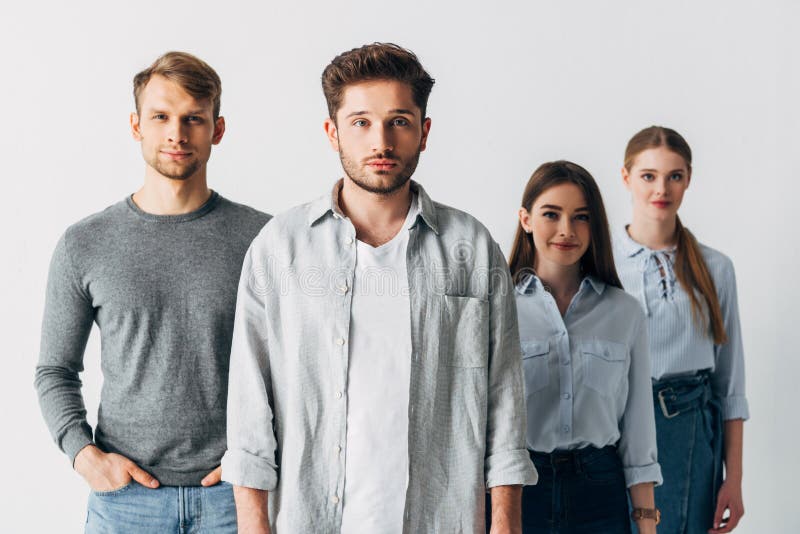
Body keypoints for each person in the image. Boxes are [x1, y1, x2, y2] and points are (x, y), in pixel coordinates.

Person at [221, 42, 537, 533]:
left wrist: (506, 521)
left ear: (424, 132)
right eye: (361, 122)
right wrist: (252, 524)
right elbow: (249, 403)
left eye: (399, 121)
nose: (381, 142)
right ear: (333, 132)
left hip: (443, 520)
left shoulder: (471, 247)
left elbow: (505, 397)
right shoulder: (279, 248)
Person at [34, 51, 270, 533]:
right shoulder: (86, 243)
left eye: (193, 119)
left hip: (234, 498)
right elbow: (54, 369)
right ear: (136, 125)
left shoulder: (262, 240)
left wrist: (257, 458)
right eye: (161, 116)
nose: (176, 134)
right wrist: (84, 455)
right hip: (126, 503)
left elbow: (295, 368)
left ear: (217, 129)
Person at [501, 160, 661, 533]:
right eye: (551, 214)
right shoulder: (499, 309)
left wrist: (647, 524)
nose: (566, 230)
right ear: (526, 219)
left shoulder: (625, 313)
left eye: (581, 217)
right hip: (519, 490)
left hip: (601, 491)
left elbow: (638, 431)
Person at [614, 126, 749, 534]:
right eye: (649, 175)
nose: (662, 188)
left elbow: (730, 385)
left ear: (688, 179)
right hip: (614, 430)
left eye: (674, 176)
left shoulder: (716, 268)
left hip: (687, 433)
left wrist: (734, 479)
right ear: (626, 177)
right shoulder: (603, 264)